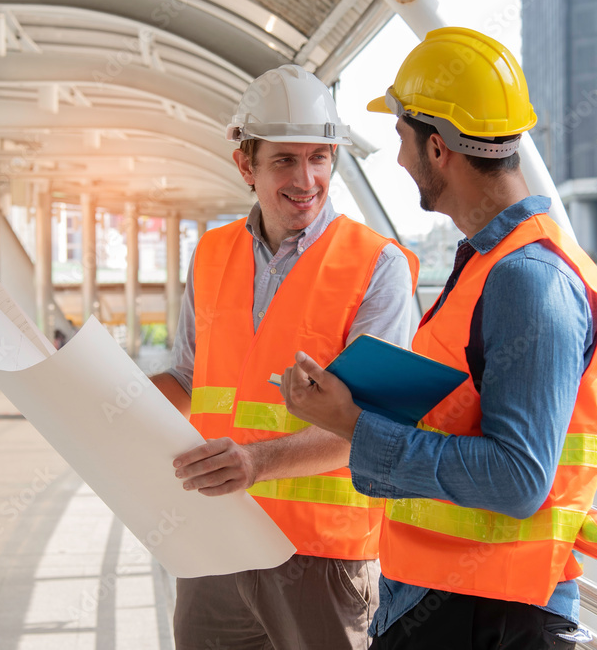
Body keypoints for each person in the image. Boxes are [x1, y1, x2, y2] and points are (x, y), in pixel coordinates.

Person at [280, 28, 597, 650]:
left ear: (436, 147)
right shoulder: (491, 265)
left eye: (401, 138)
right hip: (449, 606)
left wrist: (354, 424)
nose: (400, 158)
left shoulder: (529, 279)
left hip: (488, 617)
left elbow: (519, 477)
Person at [151, 63, 418, 650]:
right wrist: (106, 399)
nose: (306, 178)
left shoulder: (378, 267)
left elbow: (378, 427)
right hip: (214, 539)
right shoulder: (212, 254)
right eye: (284, 160)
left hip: (320, 558)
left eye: (319, 157)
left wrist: (255, 463)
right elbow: (189, 378)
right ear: (246, 165)